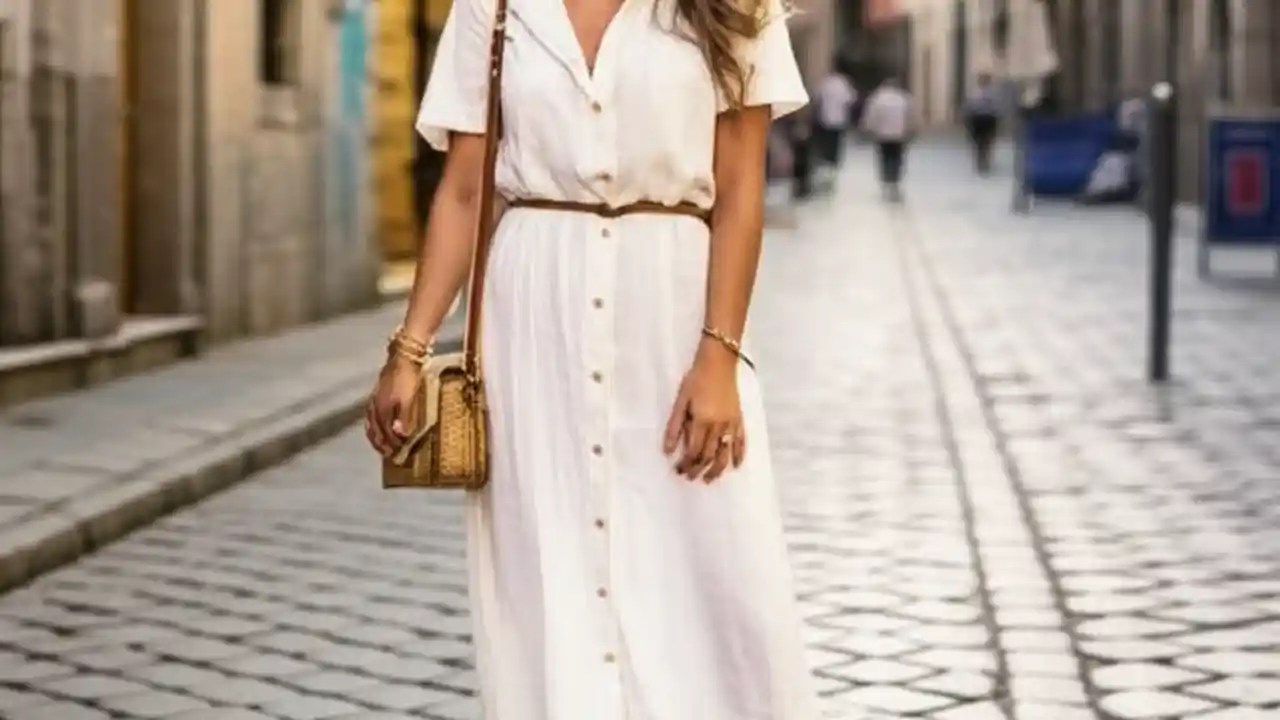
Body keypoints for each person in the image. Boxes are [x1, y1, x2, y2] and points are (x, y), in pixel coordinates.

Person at [364, 0, 819, 718]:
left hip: (673, 316)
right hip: (534, 320)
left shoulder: (737, 6)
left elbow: (740, 192)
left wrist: (719, 356)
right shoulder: (494, 6)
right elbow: (465, 189)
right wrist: (409, 347)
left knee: (721, 566)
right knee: (549, 564)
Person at [861, 76, 917, 201]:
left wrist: (867, 129)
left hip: (882, 135)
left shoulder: (877, 98)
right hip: (899, 134)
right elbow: (910, 115)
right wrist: (911, 130)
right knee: (897, 158)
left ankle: (886, 181)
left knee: (884, 158)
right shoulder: (904, 98)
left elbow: (871, 115)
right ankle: (895, 181)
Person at [813, 68, 857, 170]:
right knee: (836, 139)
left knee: (826, 139)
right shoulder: (843, 83)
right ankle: (834, 160)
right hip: (839, 118)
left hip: (825, 117)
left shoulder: (825, 82)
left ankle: (826, 158)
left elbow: (817, 97)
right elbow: (851, 99)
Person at [963, 72, 1000, 175]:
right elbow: (969, 106)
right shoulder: (975, 92)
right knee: (979, 142)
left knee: (986, 141)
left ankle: (984, 161)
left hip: (987, 119)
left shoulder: (993, 93)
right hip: (978, 119)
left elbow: (997, 107)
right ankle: (981, 161)